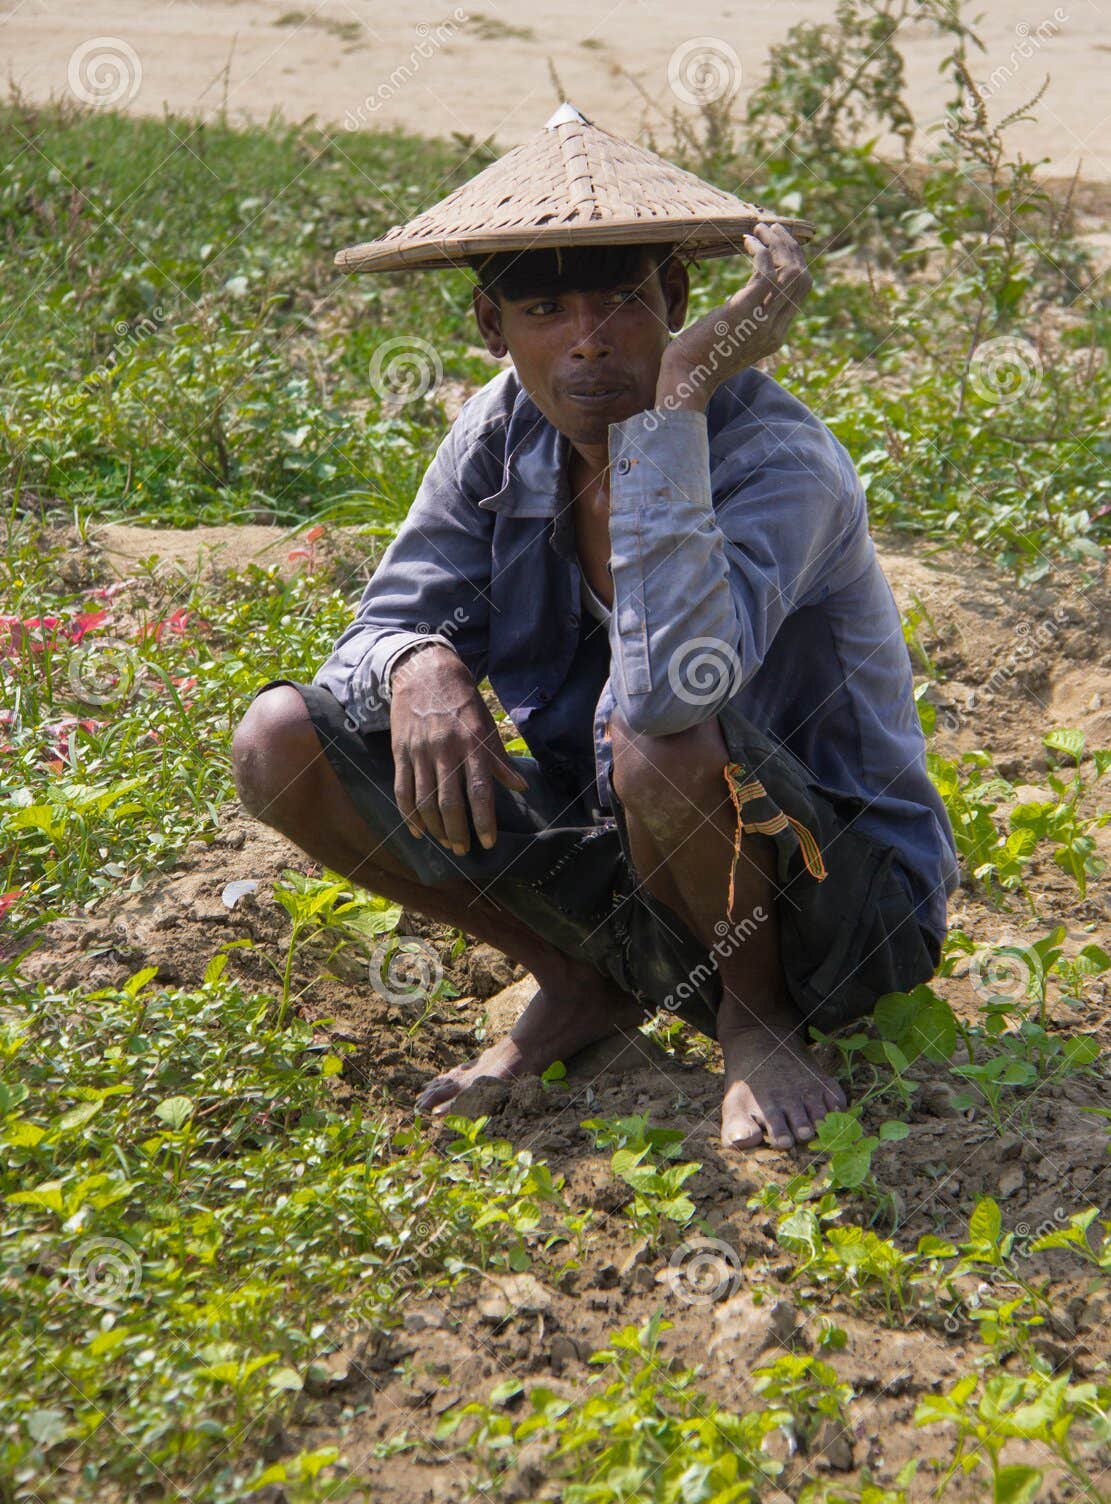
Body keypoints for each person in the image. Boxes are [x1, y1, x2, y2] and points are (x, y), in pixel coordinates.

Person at [232, 106, 958, 1152]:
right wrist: (419, 658)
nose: (587, 339)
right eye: (544, 309)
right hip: (636, 865)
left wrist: (672, 408)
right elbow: (381, 623)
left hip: (842, 911)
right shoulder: (499, 432)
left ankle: (755, 1021)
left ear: (673, 300)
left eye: (622, 301)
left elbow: (668, 695)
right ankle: (576, 980)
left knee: (655, 734)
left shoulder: (776, 462)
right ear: (492, 328)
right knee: (278, 740)